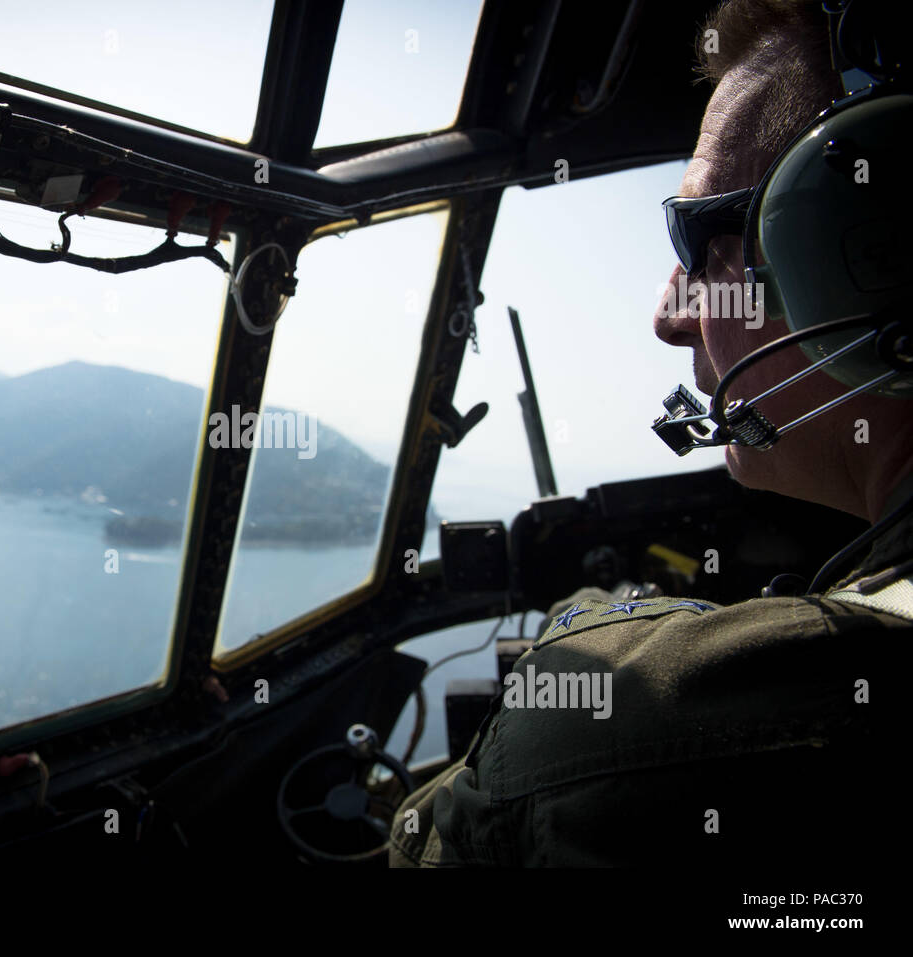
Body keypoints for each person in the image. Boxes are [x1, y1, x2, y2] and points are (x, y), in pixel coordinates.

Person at [389, 0, 913, 867]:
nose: (669, 318)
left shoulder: (618, 744)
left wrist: (590, 632)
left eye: (699, 237)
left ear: (860, 248)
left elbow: (420, 843)